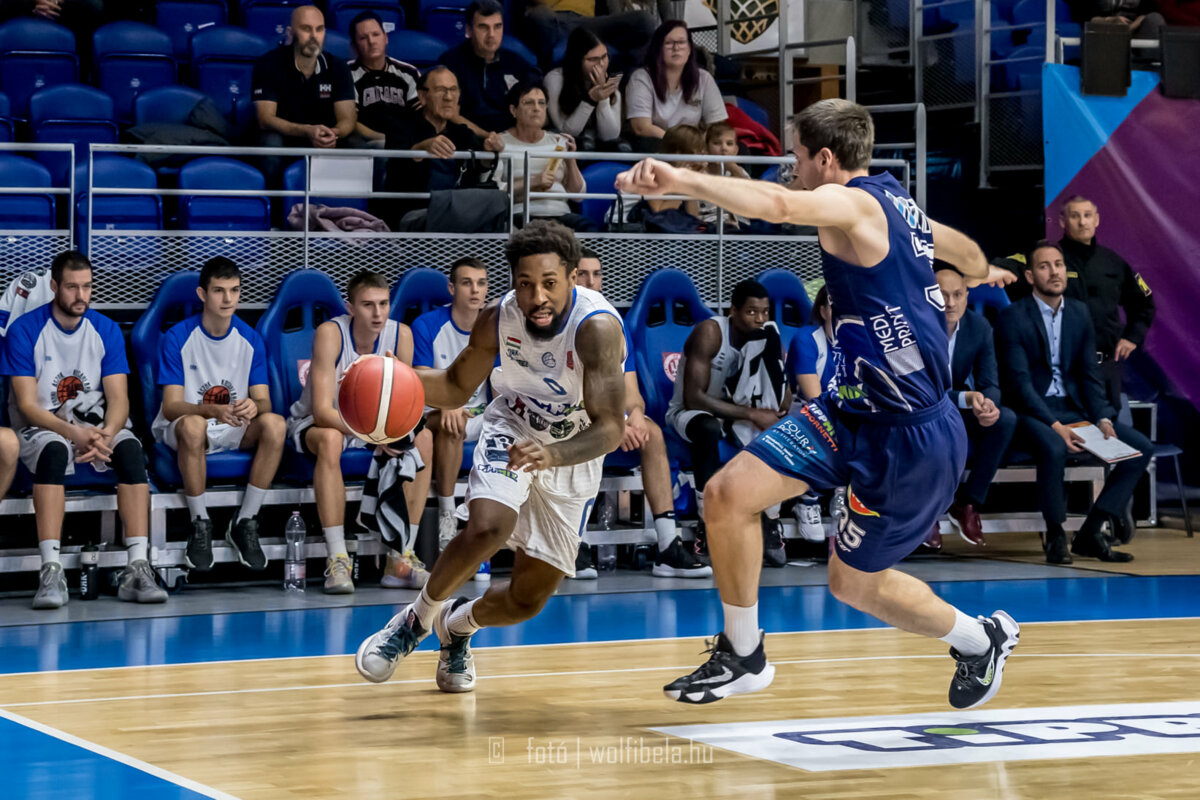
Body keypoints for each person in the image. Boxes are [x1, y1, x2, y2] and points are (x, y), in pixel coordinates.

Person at [616, 98, 1021, 710]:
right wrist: (982, 269)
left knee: (852, 584)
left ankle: (978, 639)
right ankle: (744, 653)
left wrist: (681, 178)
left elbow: (778, 206)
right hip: (847, 410)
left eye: (797, 156)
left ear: (826, 159)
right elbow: (963, 252)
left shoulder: (851, 202)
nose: (792, 167)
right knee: (726, 495)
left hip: (909, 437)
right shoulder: (899, 206)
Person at [354, 221, 627, 693]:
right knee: (488, 526)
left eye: (549, 283)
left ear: (571, 277)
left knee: (526, 600)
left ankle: (457, 626)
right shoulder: (497, 318)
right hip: (515, 426)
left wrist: (552, 453)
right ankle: (415, 622)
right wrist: (396, 380)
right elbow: (455, 386)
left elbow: (611, 429)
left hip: (572, 451)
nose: (538, 297)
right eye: (525, 284)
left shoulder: (596, 329)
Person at [2, 251, 167, 609]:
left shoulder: (105, 329)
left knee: (130, 450)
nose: (81, 295)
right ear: (54, 286)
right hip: (39, 426)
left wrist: (106, 434)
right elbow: (27, 405)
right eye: (72, 287)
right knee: (54, 451)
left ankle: (137, 567)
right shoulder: (24, 330)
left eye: (87, 287)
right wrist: (71, 433)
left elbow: (119, 400)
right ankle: (51, 570)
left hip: (94, 426)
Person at [996, 241, 1153, 564]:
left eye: (1058, 264)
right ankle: (1056, 534)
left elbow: (1088, 375)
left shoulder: (1079, 313)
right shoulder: (1013, 317)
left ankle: (1091, 532)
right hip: (1034, 412)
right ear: (1030, 276)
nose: (1054, 272)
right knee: (1054, 447)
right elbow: (1019, 386)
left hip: (1074, 409)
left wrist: (1103, 417)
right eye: (1044, 266)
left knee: (1140, 449)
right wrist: (1056, 426)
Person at [285, 270, 427, 594]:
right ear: (350, 307)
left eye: (383, 304)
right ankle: (337, 559)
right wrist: (374, 436)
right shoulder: (330, 333)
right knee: (330, 439)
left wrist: (391, 433)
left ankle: (401, 557)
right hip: (320, 424)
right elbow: (322, 411)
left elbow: (408, 404)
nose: (378, 313)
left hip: (375, 429)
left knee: (425, 438)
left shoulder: (401, 335)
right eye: (367, 305)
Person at [574, 246, 710, 578]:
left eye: (597, 274)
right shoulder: (565, 323)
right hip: (575, 417)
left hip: (612, 419)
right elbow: (573, 394)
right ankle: (573, 543)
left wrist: (634, 415)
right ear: (570, 278)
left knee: (652, 433)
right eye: (582, 274)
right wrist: (617, 422)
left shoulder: (615, 323)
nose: (591, 281)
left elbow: (631, 391)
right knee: (583, 433)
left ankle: (667, 547)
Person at [154, 257, 286, 573]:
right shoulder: (177, 337)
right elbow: (171, 407)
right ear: (202, 294)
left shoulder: (251, 339)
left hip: (233, 426)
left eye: (234, 290)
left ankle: (245, 521)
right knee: (194, 426)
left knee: (276, 424)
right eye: (219, 291)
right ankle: (199, 523)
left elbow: (264, 402)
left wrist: (255, 406)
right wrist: (210, 410)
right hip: (186, 427)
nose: (228, 299)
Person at [664, 278, 789, 565]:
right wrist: (752, 414)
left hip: (736, 416)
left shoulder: (766, 337)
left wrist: (773, 356)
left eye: (765, 312)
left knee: (782, 431)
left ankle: (769, 520)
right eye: (751, 312)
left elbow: (782, 400)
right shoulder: (710, 332)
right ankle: (707, 523)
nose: (759, 319)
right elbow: (693, 398)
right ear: (733, 311)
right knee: (708, 428)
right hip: (689, 414)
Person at [933, 264, 1017, 549]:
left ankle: (968, 503)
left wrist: (988, 404)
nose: (950, 302)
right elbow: (921, 391)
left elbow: (989, 381)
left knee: (1005, 420)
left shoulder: (978, 327)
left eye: (957, 295)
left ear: (966, 296)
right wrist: (967, 399)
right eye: (942, 295)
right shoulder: (915, 327)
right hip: (922, 409)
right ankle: (927, 511)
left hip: (957, 406)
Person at [411, 258, 490, 553]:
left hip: (480, 415)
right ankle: (448, 514)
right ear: (452, 288)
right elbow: (420, 382)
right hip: (432, 412)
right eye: (467, 283)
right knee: (453, 423)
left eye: (481, 283)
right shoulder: (427, 325)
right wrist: (447, 402)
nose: (475, 290)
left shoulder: (493, 329)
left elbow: (501, 386)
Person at [1058, 195, 1156, 413]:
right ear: (1063, 221)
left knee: (1108, 426)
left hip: (1105, 367)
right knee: (1068, 426)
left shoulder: (1113, 262)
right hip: (1063, 366)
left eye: (1087, 215)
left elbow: (1144, 302)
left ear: (1097, 220)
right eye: (1075, 216)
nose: (1082, 222)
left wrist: (1132, 337)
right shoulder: (1051, 261)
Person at [381, 67, 505, 226]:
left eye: (453, 90)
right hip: (415, 212)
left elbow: (480, 169)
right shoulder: (400, 126)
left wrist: (488, 153)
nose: (448, 97)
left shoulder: (463, 133)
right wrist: (421, 149)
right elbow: (396, 166)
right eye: (441, 90)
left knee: (500, 208)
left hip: (459, 212)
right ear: (422, 96)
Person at [252, 5, 358, 187]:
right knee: (271, 142)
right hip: (285, 137)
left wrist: (333, 134)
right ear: (290, 33)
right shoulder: (268, 64)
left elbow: (348, 119)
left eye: (319, 29)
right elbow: (265, 119)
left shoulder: (338, 67)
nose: (314, 36)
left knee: (359, 145)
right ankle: (275, 204)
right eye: (306, 29)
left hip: (324, 137)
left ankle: (354, 203)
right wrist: (307, 131)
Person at [500, 82, 595, 231]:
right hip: (520, 215)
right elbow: (496, 192)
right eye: (528, 103)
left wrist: (570, 160)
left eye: (541, 103)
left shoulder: (559, 142)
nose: (536, 108)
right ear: (514, 110)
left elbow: (578, 195)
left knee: (588, 228)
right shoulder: (500, 143)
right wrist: (534, 182)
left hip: (560, 214)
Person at [439, 0, 541, 137]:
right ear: (469, 30)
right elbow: (451, 114)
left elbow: (533, 108)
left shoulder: (517, 63)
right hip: (467, 139)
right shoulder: (451, 62)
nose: (491, 34)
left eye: (497, 26)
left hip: (511, 138)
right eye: (483, 27)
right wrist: (488, 136)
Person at [625, 21, 727, 151]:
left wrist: (698, 146)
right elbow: (641, 127)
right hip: (659, 144)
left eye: (681, 42)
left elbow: (717, 126)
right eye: (669, 43)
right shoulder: (641, 78)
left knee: (738, 148)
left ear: (689, 49)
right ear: (658, 49)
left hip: (694, 146)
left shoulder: (703, 78)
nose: (676, 48)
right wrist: (682, 144)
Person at [787, 286, 837, 543]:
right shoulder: (806, 339)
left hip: (841, 411)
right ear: (823, 311)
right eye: (836, 307)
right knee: (823, 420)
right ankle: (808, 501)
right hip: (799, 411)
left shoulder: (860, 342)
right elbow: (813, 398)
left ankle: (847, 495)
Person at [544, 27, 625, 151]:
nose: (601, 64)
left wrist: (603, 99)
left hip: (599, 146)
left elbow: (610, 136)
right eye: (593, 59)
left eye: (604, 57)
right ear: (577, 60)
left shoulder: (610, 80)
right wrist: (590, 100)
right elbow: (565, 132)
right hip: (568, 148)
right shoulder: (555, 79)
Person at [347, 10, 421, 145]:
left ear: (385, 38)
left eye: (376, 34)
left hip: (406, 144)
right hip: (366, 144)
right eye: (363, 38)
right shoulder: (346, 74)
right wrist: (388, 141)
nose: (371, 41)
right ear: (354, 46)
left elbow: (420, 117)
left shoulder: (409, 73)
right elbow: (350, 122)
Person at [521, 0, 657, 72]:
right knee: (538, 15)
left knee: (645, 20)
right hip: (556, 21)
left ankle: (625, 71)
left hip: (588, 24)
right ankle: (544, 70)